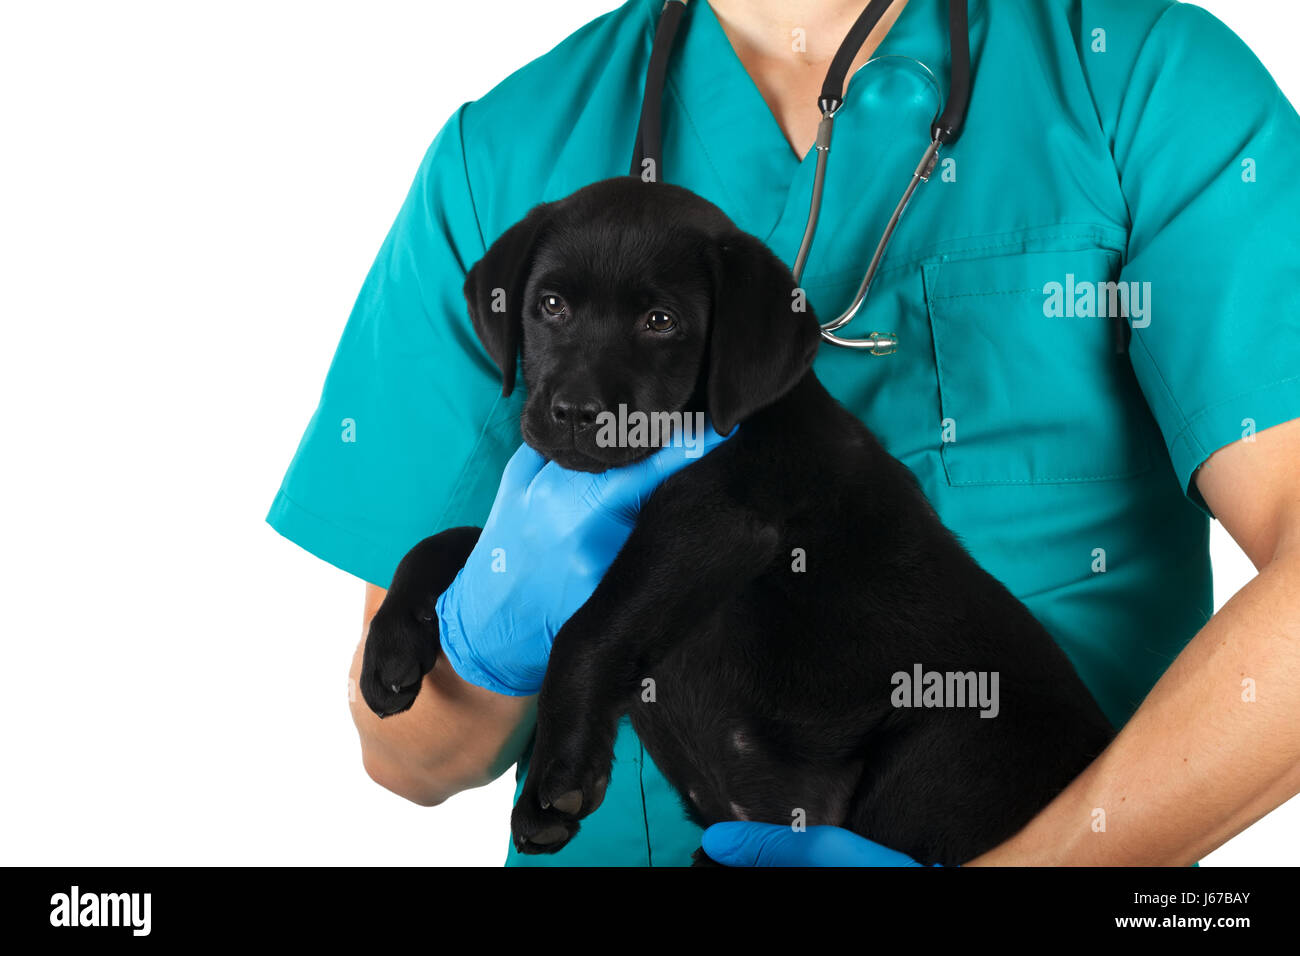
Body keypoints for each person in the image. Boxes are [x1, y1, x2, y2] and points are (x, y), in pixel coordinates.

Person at [267, 0, 1300, 866]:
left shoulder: (1138, 84)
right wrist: (490, 633)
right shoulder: (502, 152)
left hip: (987, 808)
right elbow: (407, 757)